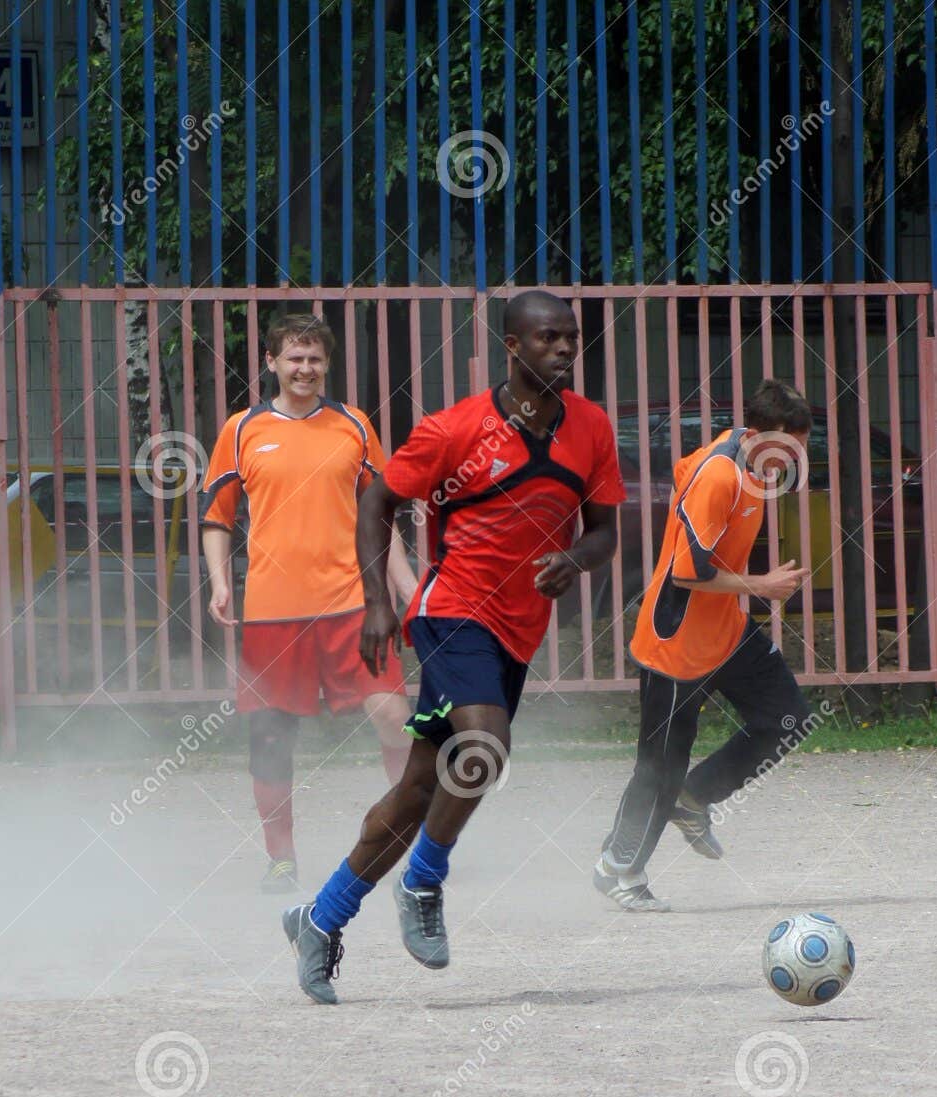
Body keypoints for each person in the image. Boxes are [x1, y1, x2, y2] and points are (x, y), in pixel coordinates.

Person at [281, 289, 624, 1003]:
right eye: (548, 337)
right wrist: (378, 601)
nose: (564, 348)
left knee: (420, 789)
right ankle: (424, 882)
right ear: (512, 346)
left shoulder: (590, 427)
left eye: (571, 336)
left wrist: (576, 559)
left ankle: (320, 917)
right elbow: (377, 502)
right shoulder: (455, 429)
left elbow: (604, 532)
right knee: (486, 746)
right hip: (453, 610)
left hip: (518, 629)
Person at [200, 312, 416, 892]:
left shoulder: (353, 424)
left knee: (394, 716)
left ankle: (406, 844)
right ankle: (281, 858)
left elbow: (382, 517)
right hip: (273, 612)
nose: (305, 368)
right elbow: (216, 517)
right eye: (294, 358)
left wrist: (406, 587)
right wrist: (220, 582)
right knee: (271, 738)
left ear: (327, 364)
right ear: (271, 362)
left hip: (353, 603)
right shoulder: (242, 430)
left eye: (315, 358)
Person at [593, 378, 816, 910]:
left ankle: (694, 797)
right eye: (787, 449)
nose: (792, 461)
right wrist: (761, 585)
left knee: (788, 719)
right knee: (660, 766)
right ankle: (617, 869)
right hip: (676, 643)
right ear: (758, 436)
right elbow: (687, 574)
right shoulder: (720, 475)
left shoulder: (750, 456)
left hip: (726, 631)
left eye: (799, 451)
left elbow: (683, 474)